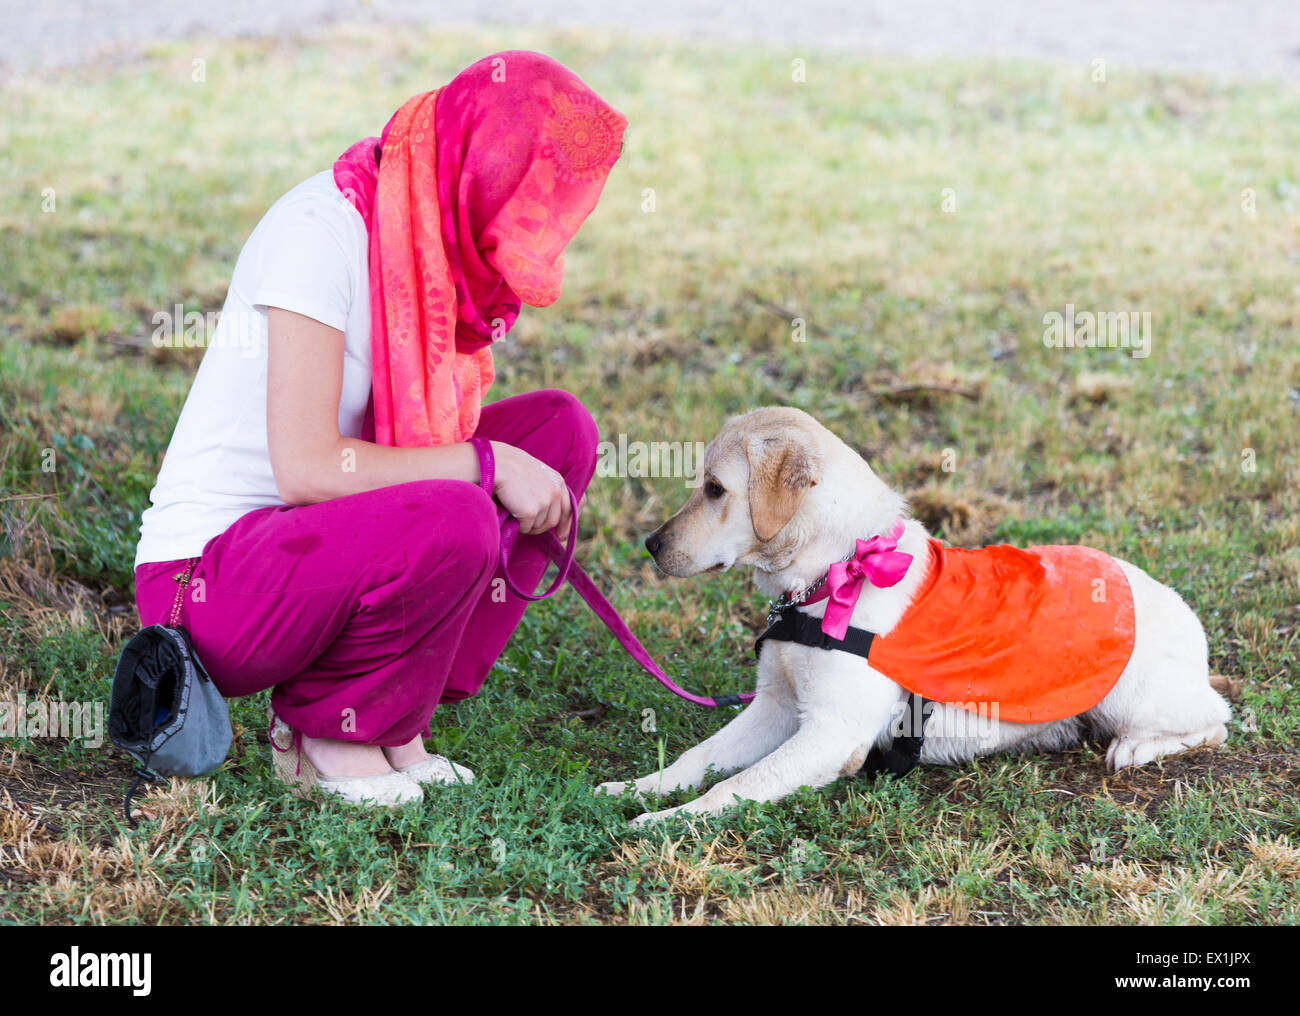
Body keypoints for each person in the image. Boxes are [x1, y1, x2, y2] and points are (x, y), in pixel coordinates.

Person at [133, 50, 627, 807]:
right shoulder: (321, 232)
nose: (535, 232)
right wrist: (484, 463)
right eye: (526, 201)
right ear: (482, 171)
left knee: (558, 431)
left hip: (319, 543)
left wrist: (492, 462)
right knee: (461, 500)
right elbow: (305, 467)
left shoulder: (441, 251)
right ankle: (327, 733)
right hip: (208, 585)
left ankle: (397, 714)